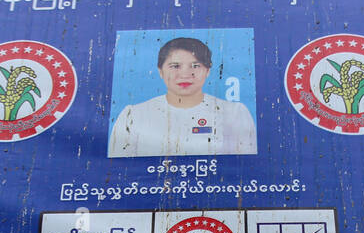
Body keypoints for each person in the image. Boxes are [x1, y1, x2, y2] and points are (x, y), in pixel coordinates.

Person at [108, 37, 257, 157]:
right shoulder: (133, 116)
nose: (185, 74)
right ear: (160, 71)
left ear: (208, 71)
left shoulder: (234, 113)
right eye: (175, 66)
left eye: (195, 66)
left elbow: (245, 168)